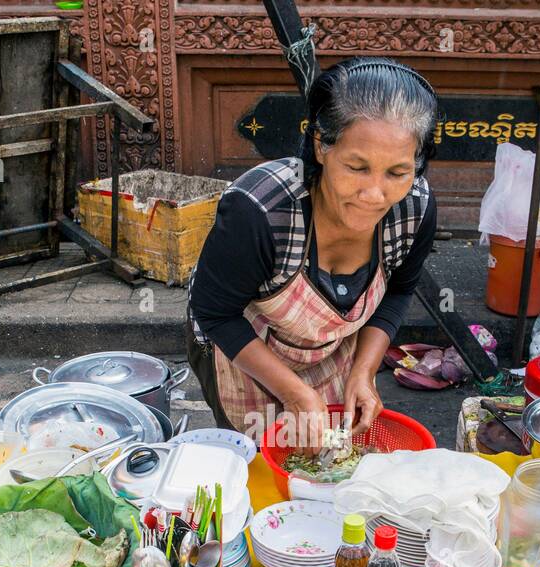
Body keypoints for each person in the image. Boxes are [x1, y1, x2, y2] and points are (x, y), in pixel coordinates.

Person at [186, 57, 438, 452]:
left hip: (334, 349)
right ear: (321, 146)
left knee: (331, 454)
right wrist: (294, 392)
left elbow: (400, 290)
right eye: (357, 167)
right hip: (243, 350)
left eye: (396, 173)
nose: (375, 195)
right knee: (257, 463)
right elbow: (215, 312)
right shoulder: (259, 209)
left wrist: (365, 372)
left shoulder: (415, 208)